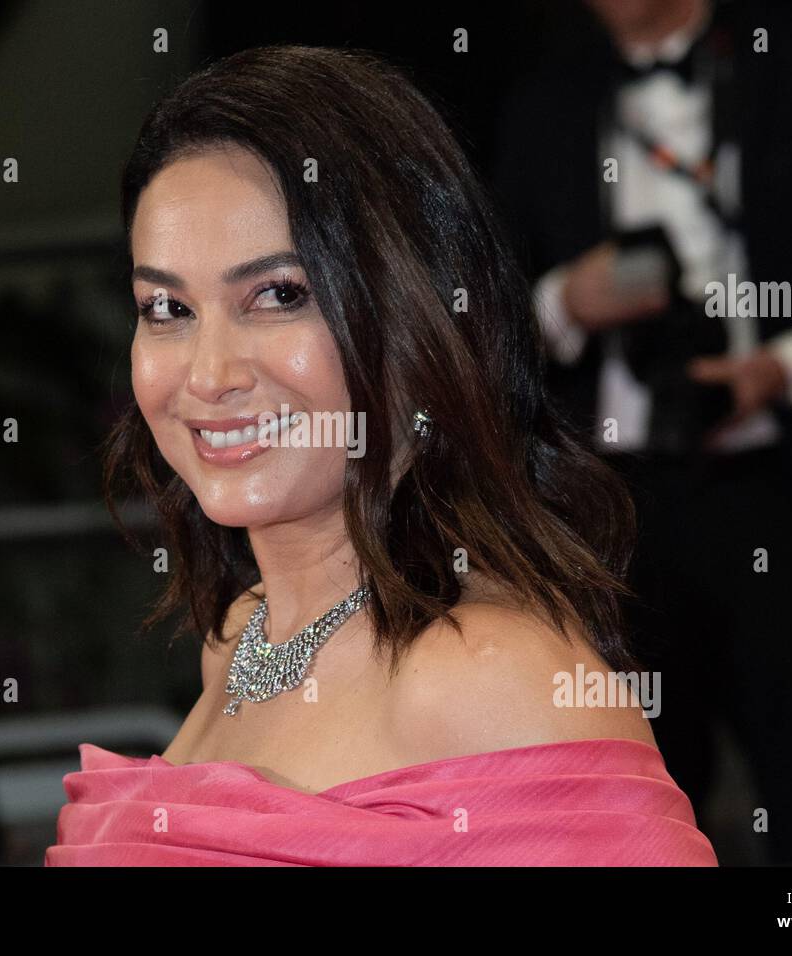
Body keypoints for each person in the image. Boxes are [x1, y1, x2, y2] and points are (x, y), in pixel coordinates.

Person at [45, 44, 717, 866]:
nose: (209, 375)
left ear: (413, 320)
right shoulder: (241, 637)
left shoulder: (491, 674)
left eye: (279, 295)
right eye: (167, 308)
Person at [492, 0, 792, 863]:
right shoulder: (544, 98)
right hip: (615, 509)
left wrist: (791, 361)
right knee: (637, 812)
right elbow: (471, 311)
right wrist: (563, 303)